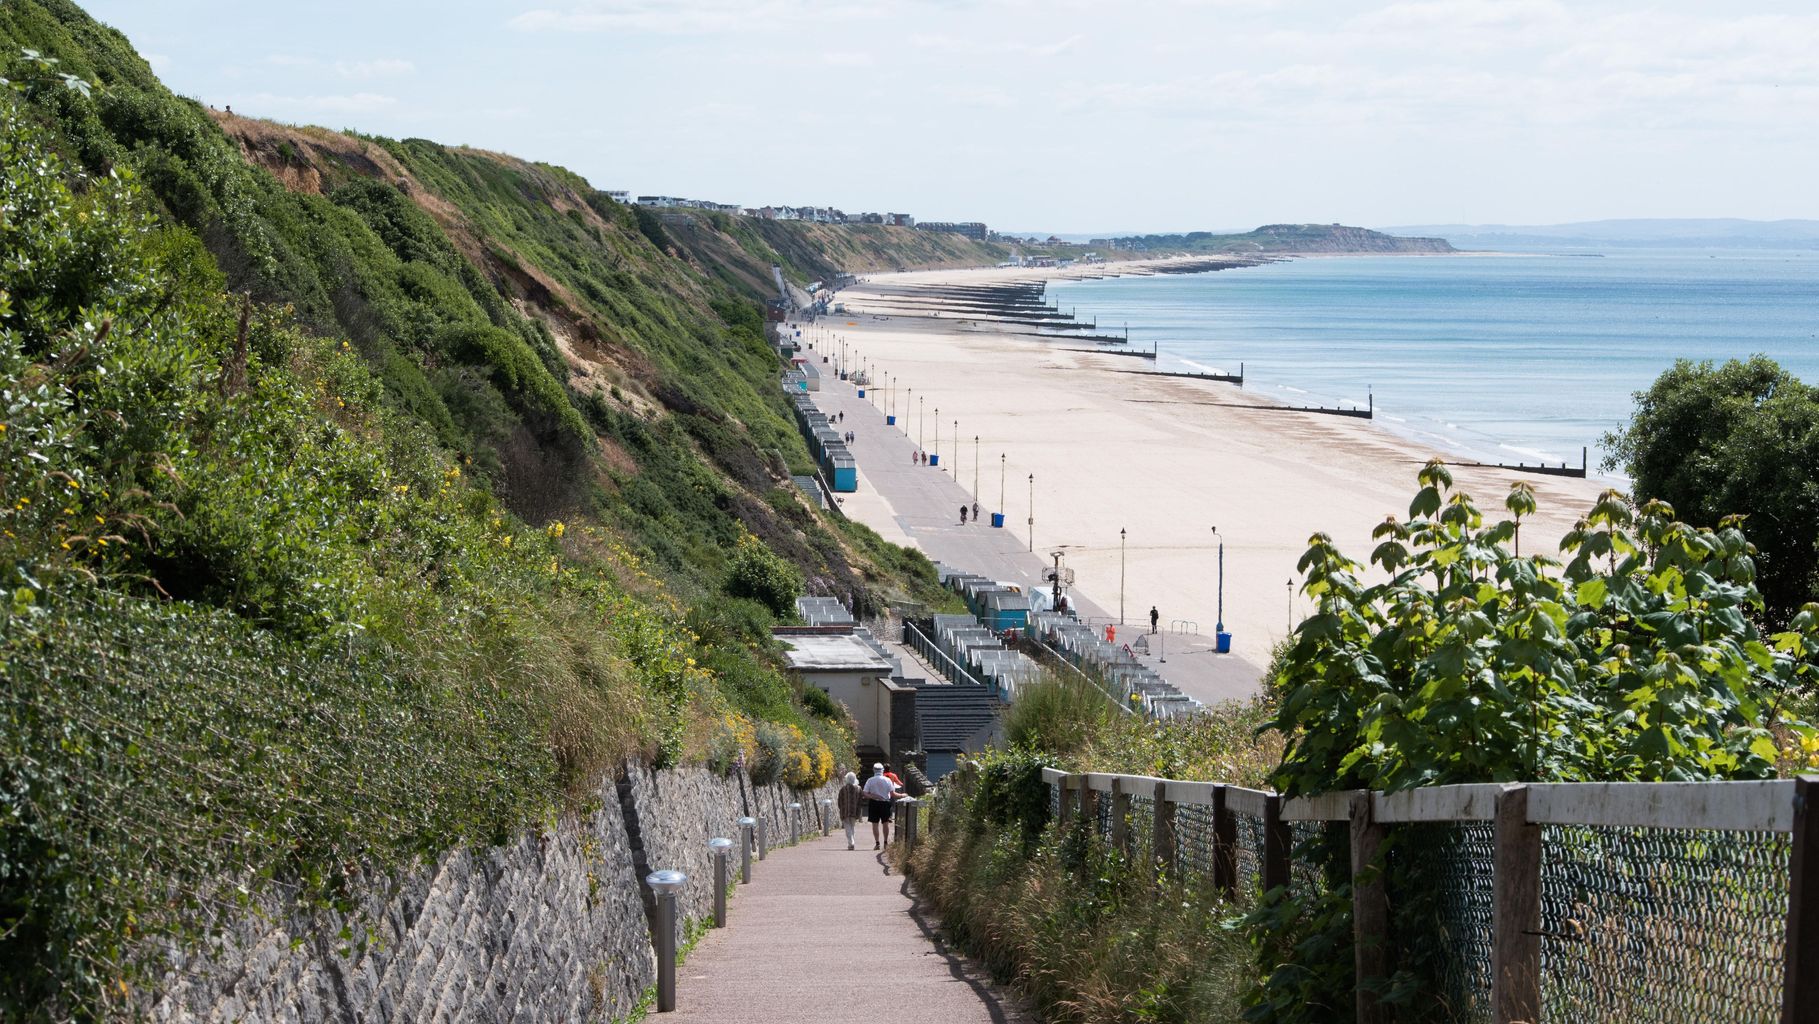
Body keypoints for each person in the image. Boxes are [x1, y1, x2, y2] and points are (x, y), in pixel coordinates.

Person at [862, 763, 901, 849]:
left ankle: (877, 843)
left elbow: (864, 793)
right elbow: (893, 793)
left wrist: (873, 796)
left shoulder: (870, 780)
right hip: (885, 803)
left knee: (875, 824)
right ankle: (886, 842)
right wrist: (902, 795)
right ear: (882, 770)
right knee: (885, 823)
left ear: (874, 770)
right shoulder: (887, 780)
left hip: (873, 803)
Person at [836, 771, 864, 850]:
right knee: (852, 827)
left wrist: (841, 808)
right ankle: (851, 843)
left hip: (845, 811)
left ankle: (851, 842)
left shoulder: (843, 789)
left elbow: (839, 800)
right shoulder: (859, 788)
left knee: (848, 827)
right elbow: (860, 801)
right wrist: (859, 811)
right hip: (854, 811)